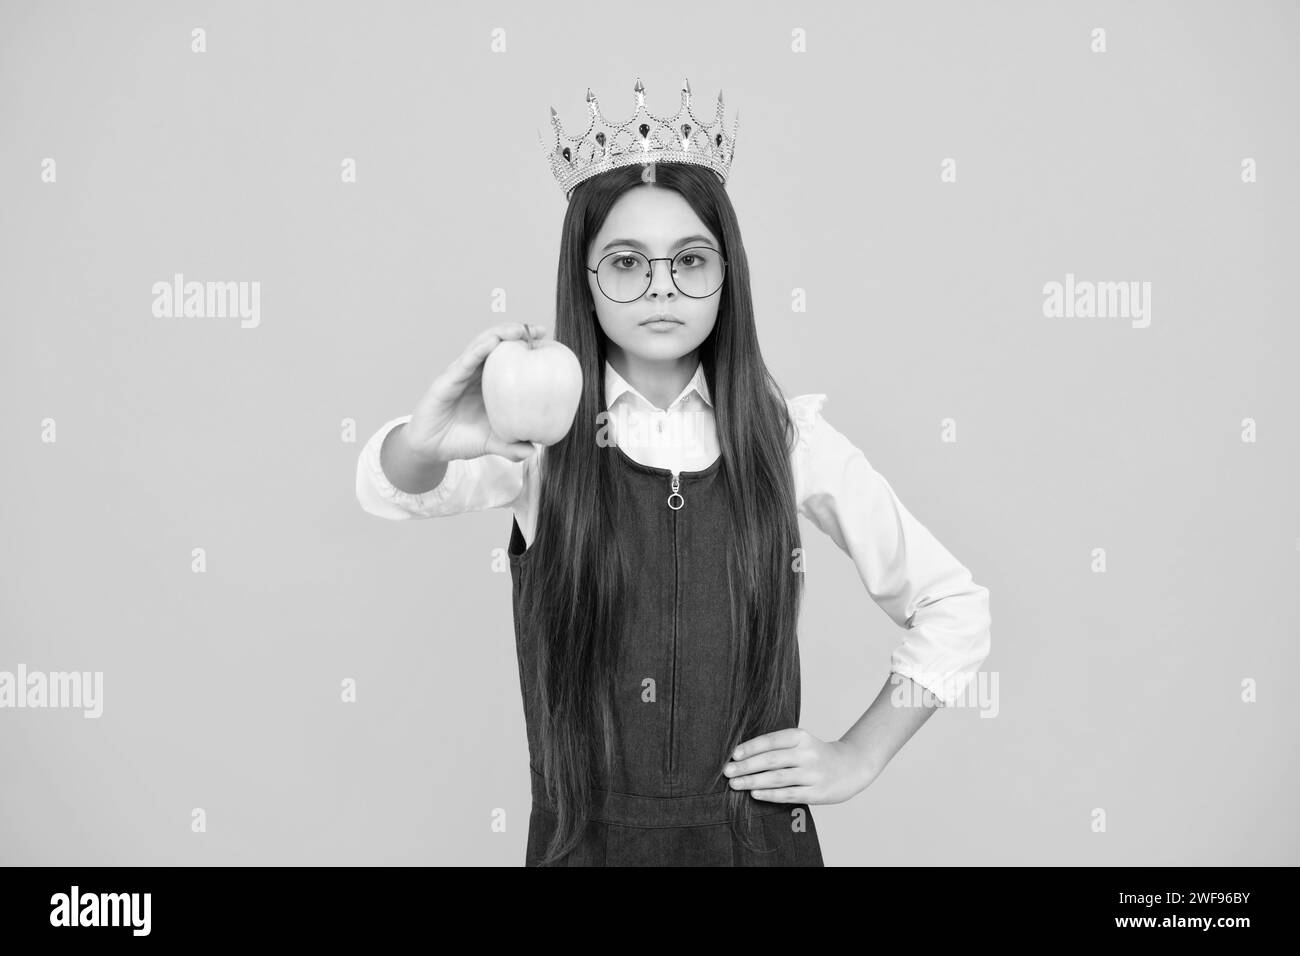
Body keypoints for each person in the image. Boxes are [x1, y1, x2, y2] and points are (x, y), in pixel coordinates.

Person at [356, 79, 991, 866]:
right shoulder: (538, 436)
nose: (661, 286)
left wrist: (858, 755)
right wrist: (428, 439)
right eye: (625, 262)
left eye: (690, 260)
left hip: (754, 845)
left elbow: (954, 608)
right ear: (583, 281)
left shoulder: (783, 436)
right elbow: (390, 488)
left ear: (729, 274)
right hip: (583, 847)